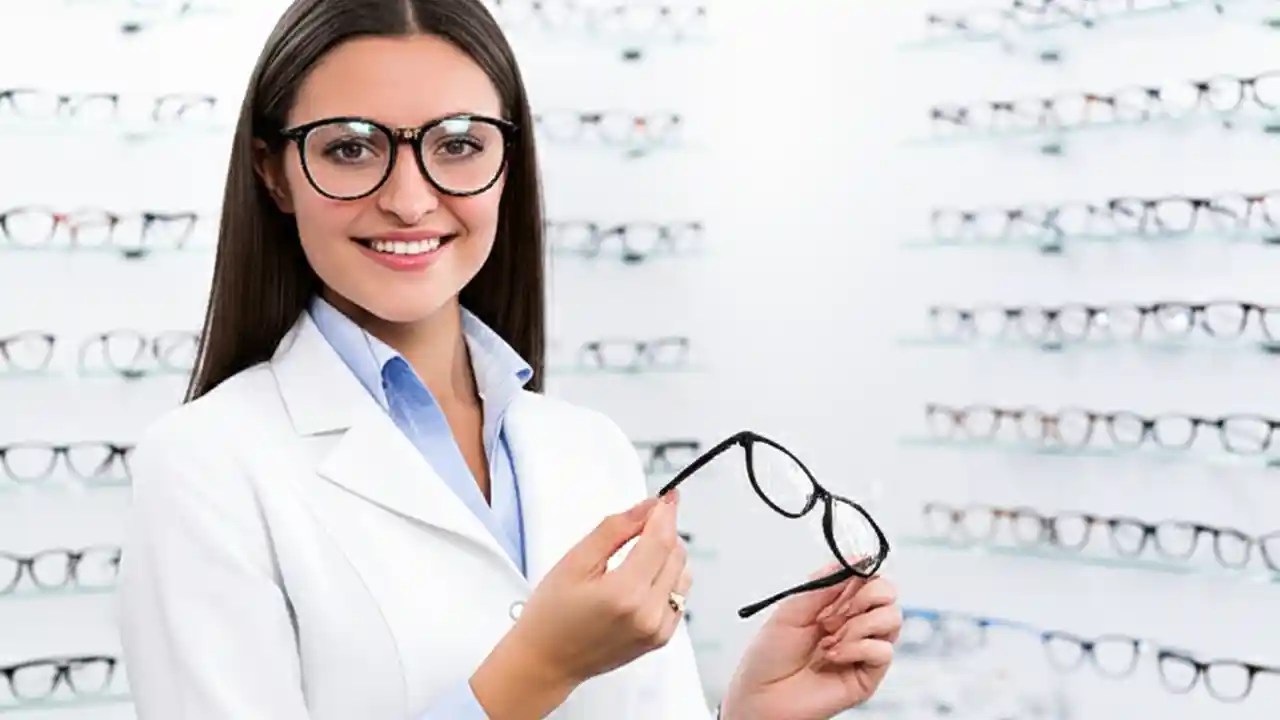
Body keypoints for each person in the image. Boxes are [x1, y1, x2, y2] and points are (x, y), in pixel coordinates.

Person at [116, 1, 903, 718]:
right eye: (352, 149)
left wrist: (750, 715)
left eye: (457, 145)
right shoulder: (204, 466)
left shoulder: (587, 448)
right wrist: (538, 667)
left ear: (508, 162)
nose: (411, 199)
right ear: (273, 173)